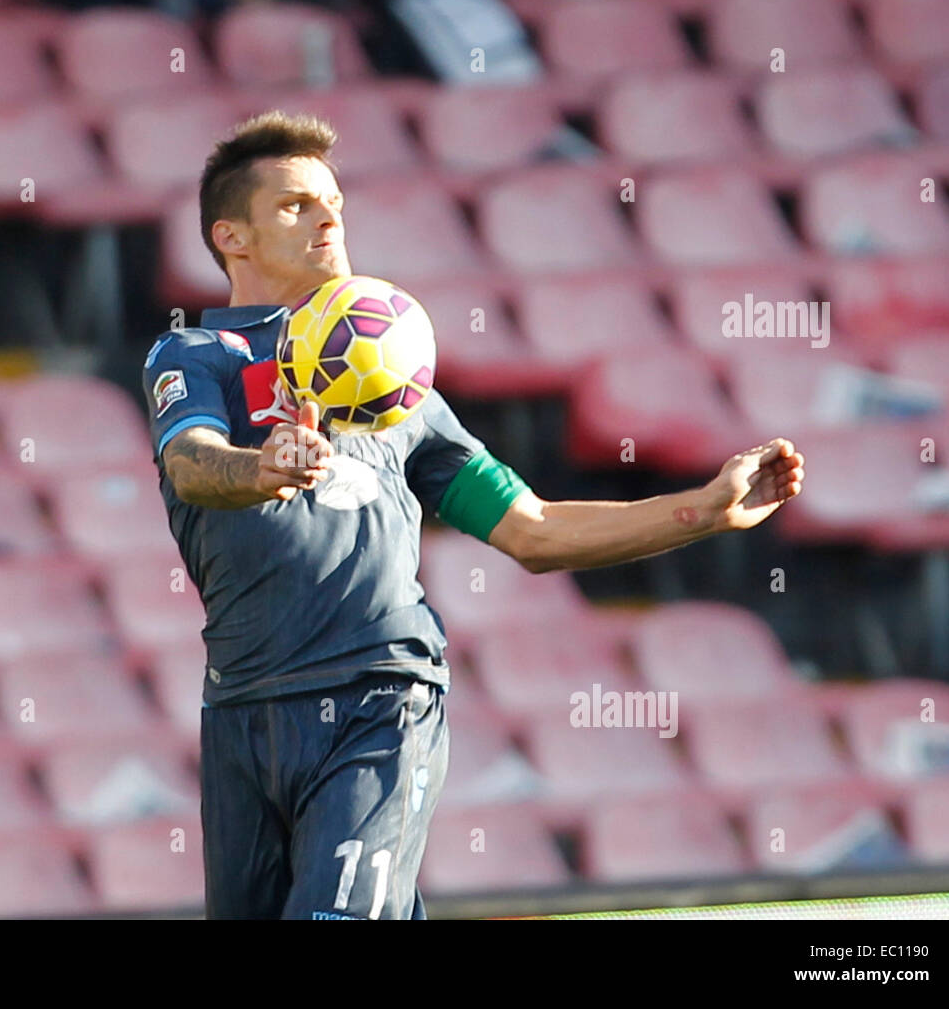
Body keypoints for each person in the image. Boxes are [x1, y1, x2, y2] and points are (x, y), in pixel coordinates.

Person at [140, 110, 805, 920]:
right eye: (295, 205)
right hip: (241, 711)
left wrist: (700, 510)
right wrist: (264, 466)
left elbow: (532, 530)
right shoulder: (195, 356)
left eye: (334, 204)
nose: (327, 219)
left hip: (377, 694)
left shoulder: (395, 381)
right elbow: (191, 465)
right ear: (231, 238)